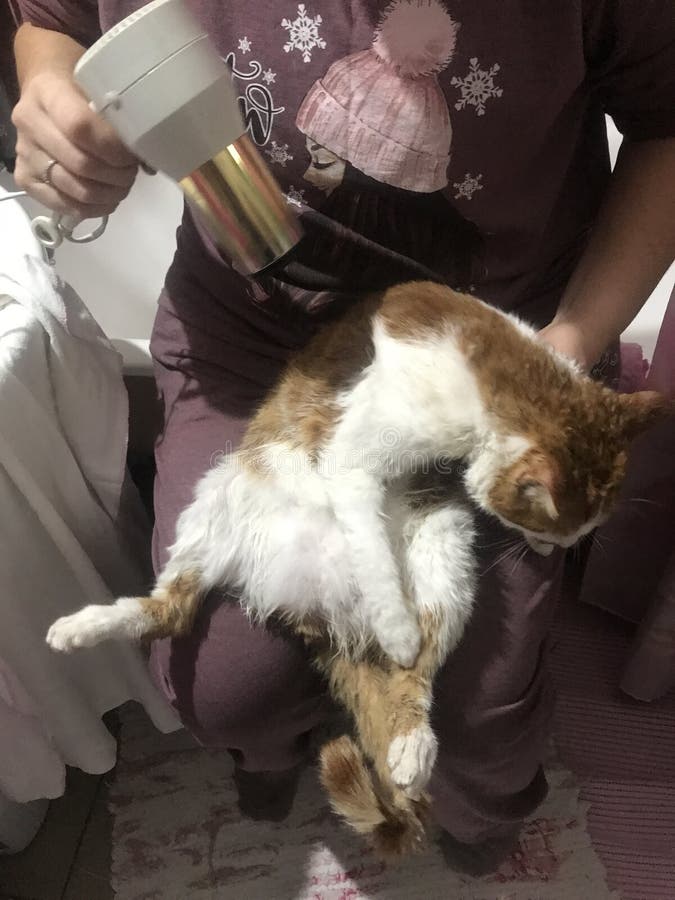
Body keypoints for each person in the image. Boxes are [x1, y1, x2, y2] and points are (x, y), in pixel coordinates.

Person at [12, 0, 675, 868]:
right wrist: (52, 88)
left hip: (490, 344)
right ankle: (269, 752)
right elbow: (49, 18)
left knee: (476, 713)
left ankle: (483, 820)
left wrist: (572, 342)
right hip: (256, 331)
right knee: (228, 685)